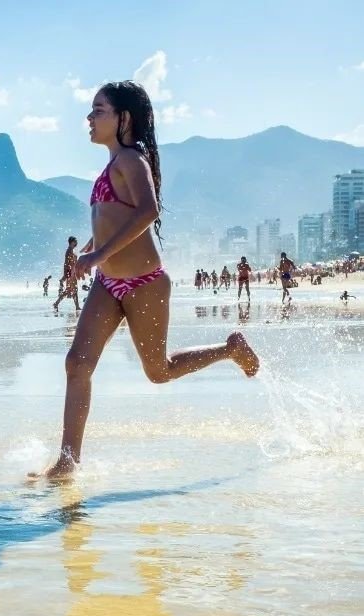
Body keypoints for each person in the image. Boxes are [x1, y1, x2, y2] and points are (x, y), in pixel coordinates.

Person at [40, 81, 259, 479]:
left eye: (98, 111)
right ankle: (68, 461)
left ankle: (230, 349)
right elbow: (114, 218)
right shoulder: (111, 164)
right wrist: (91, 249)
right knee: (77, 363)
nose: (89, 118)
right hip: (108, 284)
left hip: (144, 283)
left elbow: (147, 211)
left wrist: (97, 255)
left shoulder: (130, 159)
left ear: (123, 118)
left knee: (159, 371)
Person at [53, 237, 84, 312]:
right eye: (75, 241)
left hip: (73, 273)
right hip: (70, 273)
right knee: (72, 290)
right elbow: (66, 263)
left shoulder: (73, 250)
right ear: (71, 242)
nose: (76, 243)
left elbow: (74, 262)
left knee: (70, 290)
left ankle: (57, 303)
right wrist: (67, 274)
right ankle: (57, 303)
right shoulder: (69, 251)